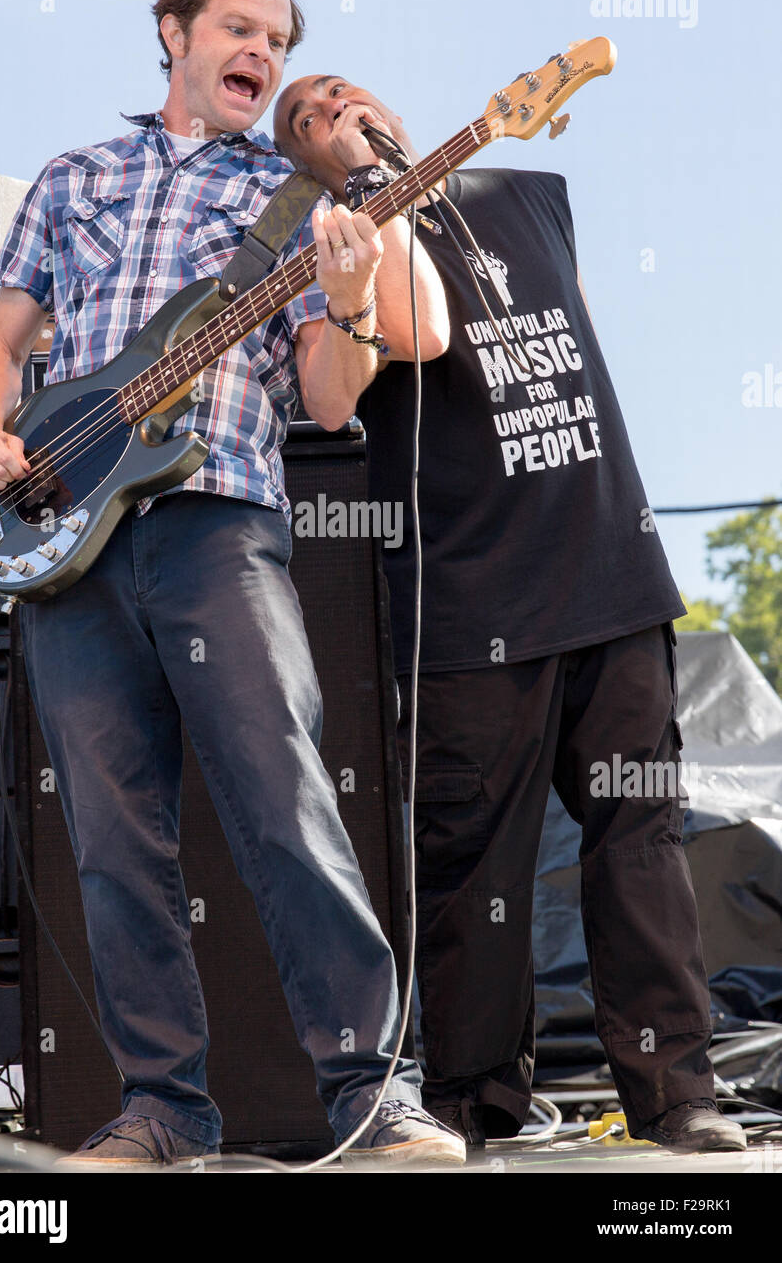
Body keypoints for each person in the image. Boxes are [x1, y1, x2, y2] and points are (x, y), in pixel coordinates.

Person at [0, 0, 465, 1170]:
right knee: (110, 841)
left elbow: (334, 399)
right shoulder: (73, 177)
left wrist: (345, 299)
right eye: (239, 27)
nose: (261, 51)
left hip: (220, 523)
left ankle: (372, 1095)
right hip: (66, 542)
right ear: (175, 33)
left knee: (284, 801)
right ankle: (161, 1111)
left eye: (277, 39)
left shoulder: (292, 200)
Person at [273, 71, 747, 1153]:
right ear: (302, 166)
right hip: (470, 602)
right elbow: (411, 339)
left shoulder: (529, 192)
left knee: (641, 845)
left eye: (339, 89)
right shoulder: (331, 243)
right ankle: (474, 1104)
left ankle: (678, 1097)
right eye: (305, 118)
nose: (329, 106)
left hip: (607, 573)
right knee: (473, 867)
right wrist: (367, 189)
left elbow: (573, 336)